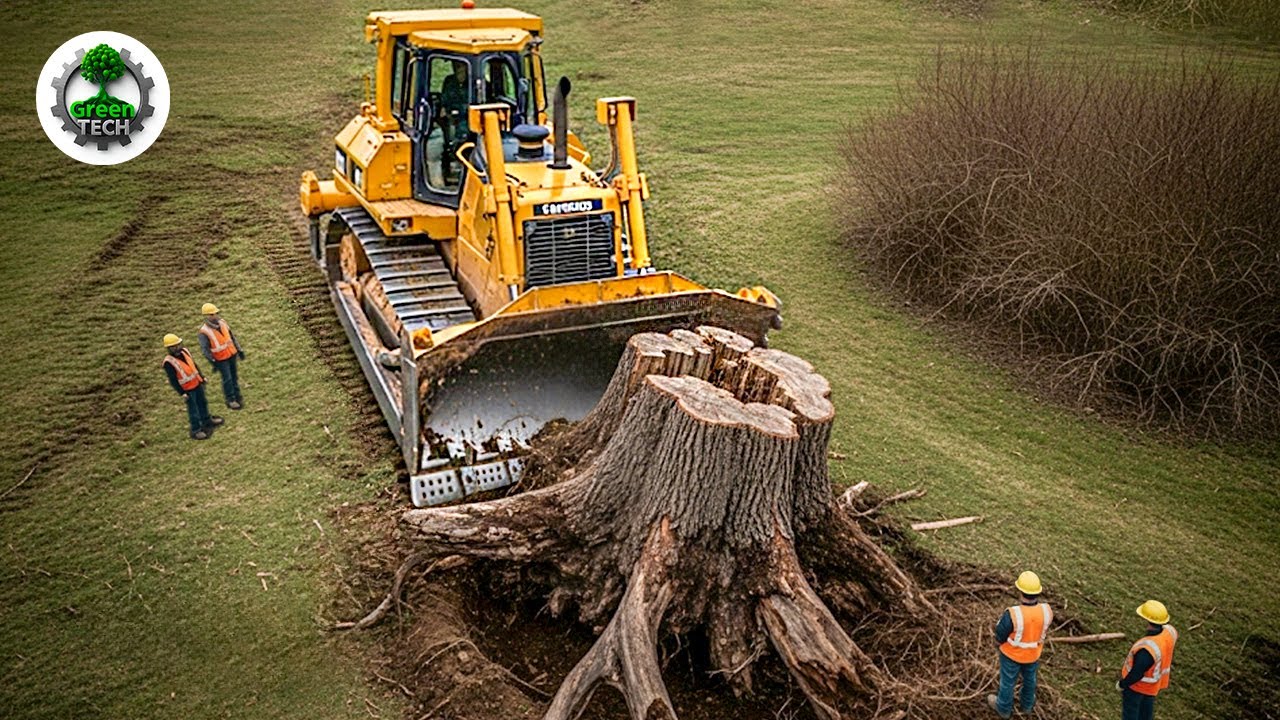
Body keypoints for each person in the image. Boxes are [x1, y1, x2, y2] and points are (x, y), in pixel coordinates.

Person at [987, 571, 1052, 718]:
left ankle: (1003, 708)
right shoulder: (1046, 610)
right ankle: (1027, 705)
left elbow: (1001, 633)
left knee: (1008, 682)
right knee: (1030, 681)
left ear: (1020, 591)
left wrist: (997, 643)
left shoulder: (1013, 614)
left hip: (1011, 655)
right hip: (1033, 655)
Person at [1118, 600, 1178, 720]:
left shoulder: (1147, 649)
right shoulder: (1170, 633)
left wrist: (1122, 684)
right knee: (1145, 715)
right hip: (1152, 687)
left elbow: (1137, 673)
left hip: (1136, 687)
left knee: (1131, 714)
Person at [161, 333, 223, 440]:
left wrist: (201, 378)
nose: (177, 347)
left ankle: (207, 420)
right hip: (187, 389)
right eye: (174, 346)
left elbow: (193, 365)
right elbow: (173, 380)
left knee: (202, 403)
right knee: (193, 410)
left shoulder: (185, 351)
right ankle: (196, 430)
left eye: (178, 344)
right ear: (169, 348)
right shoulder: (168, 362)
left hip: (197, 384)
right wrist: (182, 393)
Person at [197, 302, 245, 410]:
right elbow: (205, 350)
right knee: (227, 379)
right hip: (220, 359)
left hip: (231, 354)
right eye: (211, 314)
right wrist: (213, 361)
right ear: (206, 316)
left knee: (233, 376)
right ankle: (230, 399)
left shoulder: (223, 323)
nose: (215, 316)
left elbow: (232, 337)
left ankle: (237, 395)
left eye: (215, 313)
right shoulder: (204, 332)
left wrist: (239, 350)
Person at [438, 60, 469, 181]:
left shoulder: (479, 83)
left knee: (463, 133)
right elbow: (444, 100)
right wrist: (445, 109)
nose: (457, 69)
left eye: (460, 66)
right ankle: (446, 169)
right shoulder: (449, 81)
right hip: (451, 119)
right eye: (456, 66)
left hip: (468, 120)